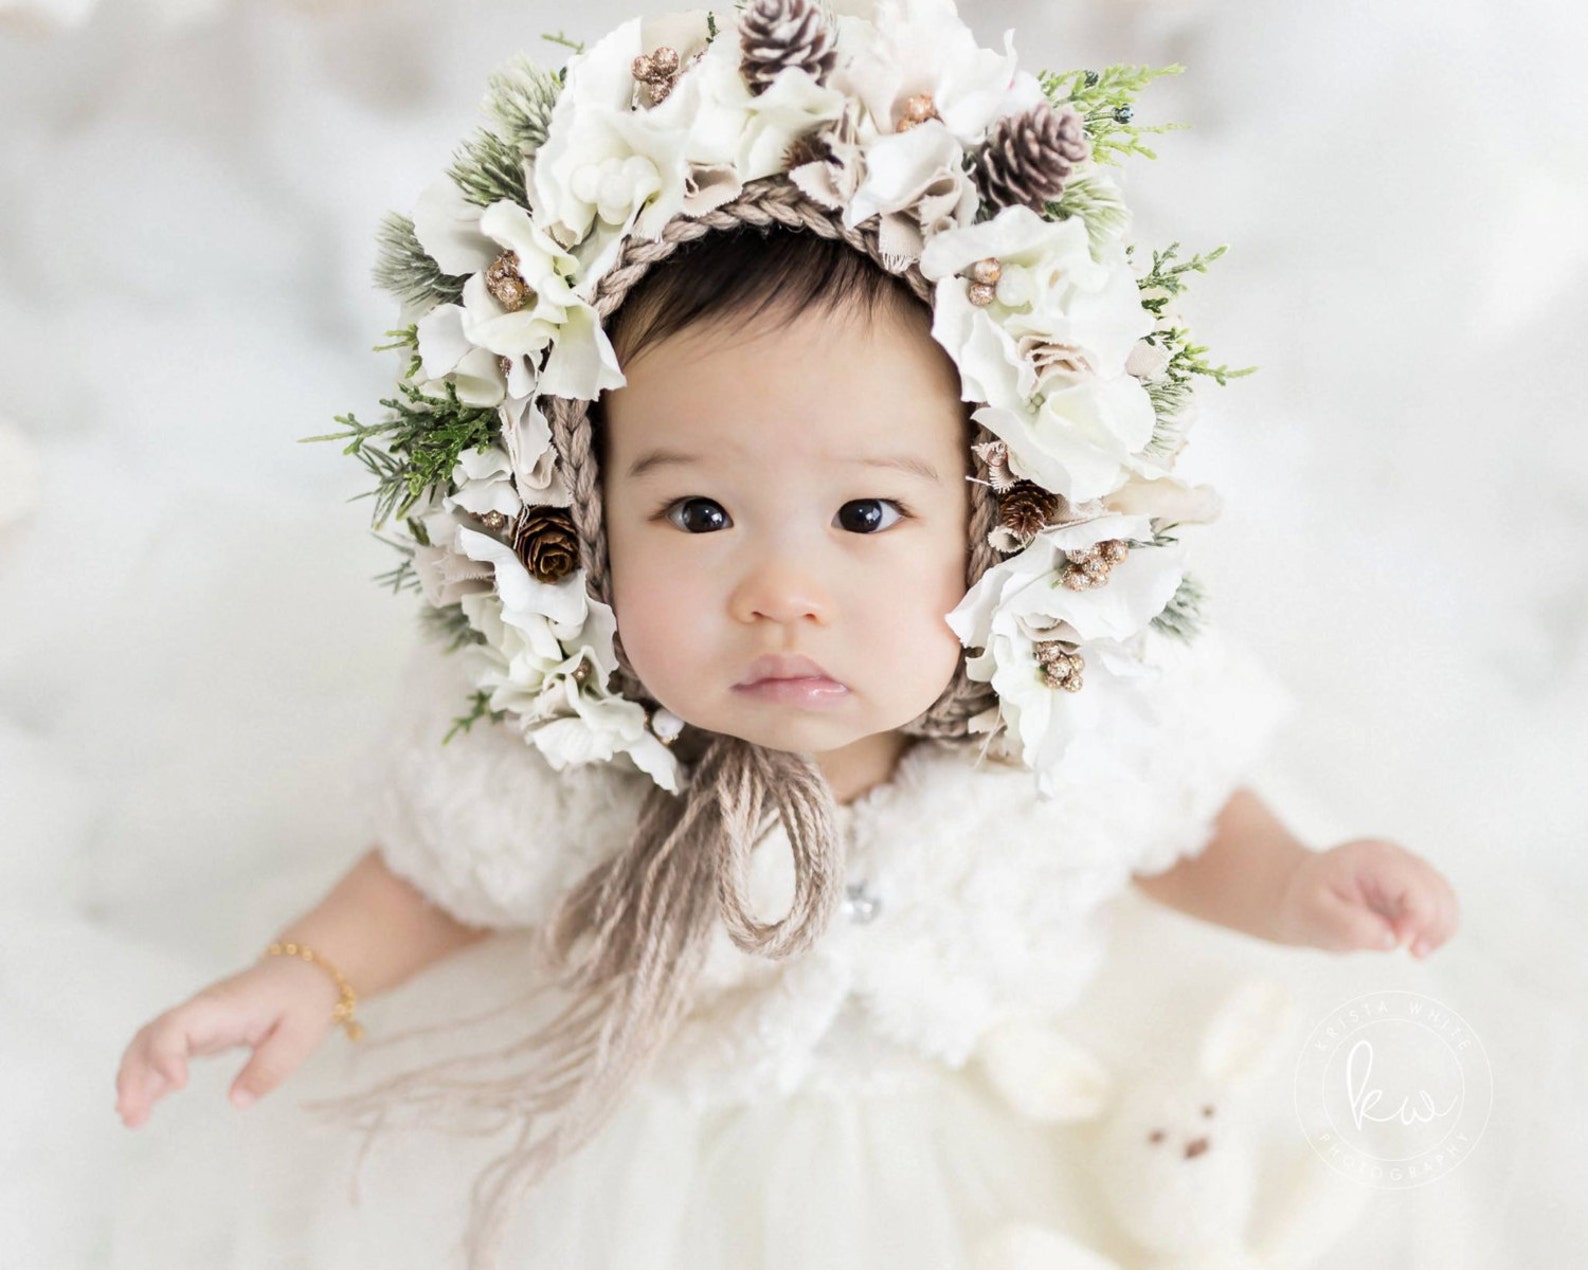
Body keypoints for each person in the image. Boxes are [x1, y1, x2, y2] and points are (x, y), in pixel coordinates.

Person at [114, 4, 1459, 1266]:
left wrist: (1295, 879)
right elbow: (436, 872)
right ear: (583, 523)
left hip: (1005, 1100)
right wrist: (307, 971)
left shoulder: (1057, 720)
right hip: (668, 1154)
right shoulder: (577, 749)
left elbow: (1184, 821)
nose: (781, 590)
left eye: (865, 512)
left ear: (996, 523)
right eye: (698, 511)